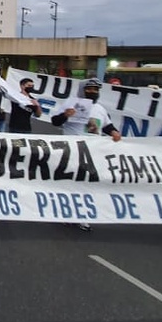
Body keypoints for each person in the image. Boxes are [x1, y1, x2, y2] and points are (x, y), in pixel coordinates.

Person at [51, 77, 121, 232]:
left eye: (95, 90)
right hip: (73, 150)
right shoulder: (70, 103)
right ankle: (67, 213)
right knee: (72, 183)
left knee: (88, 185)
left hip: (93, 151)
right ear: (82, 90)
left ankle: (83, 215)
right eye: (89, 89)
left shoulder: (100, 109)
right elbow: (55, 121)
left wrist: (114, 132)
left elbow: (107, 125)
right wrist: (66, 115)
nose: (93, 92)